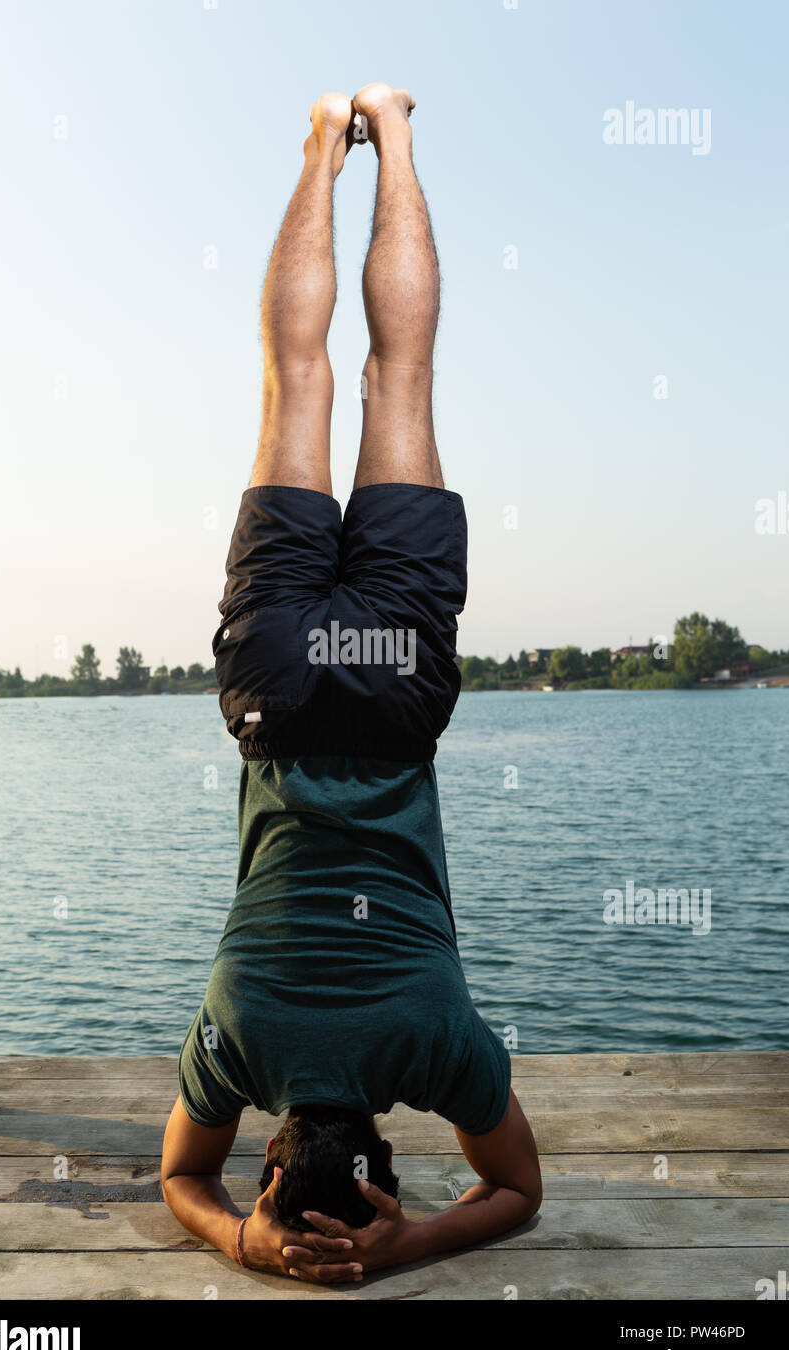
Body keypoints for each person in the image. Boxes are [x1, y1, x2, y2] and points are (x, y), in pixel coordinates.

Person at [161, 84, 542, 1284]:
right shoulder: (235, 1048)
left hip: (387, 696)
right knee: (297, 375)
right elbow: (182, 1176)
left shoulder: (437, 1055)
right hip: (277, 695)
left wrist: (408, 1241)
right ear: (275, 1164)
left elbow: (516, 1188)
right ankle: (330, 141)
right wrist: (244, 1232)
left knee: (401, 375)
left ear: (387, 1153)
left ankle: (395, 128)